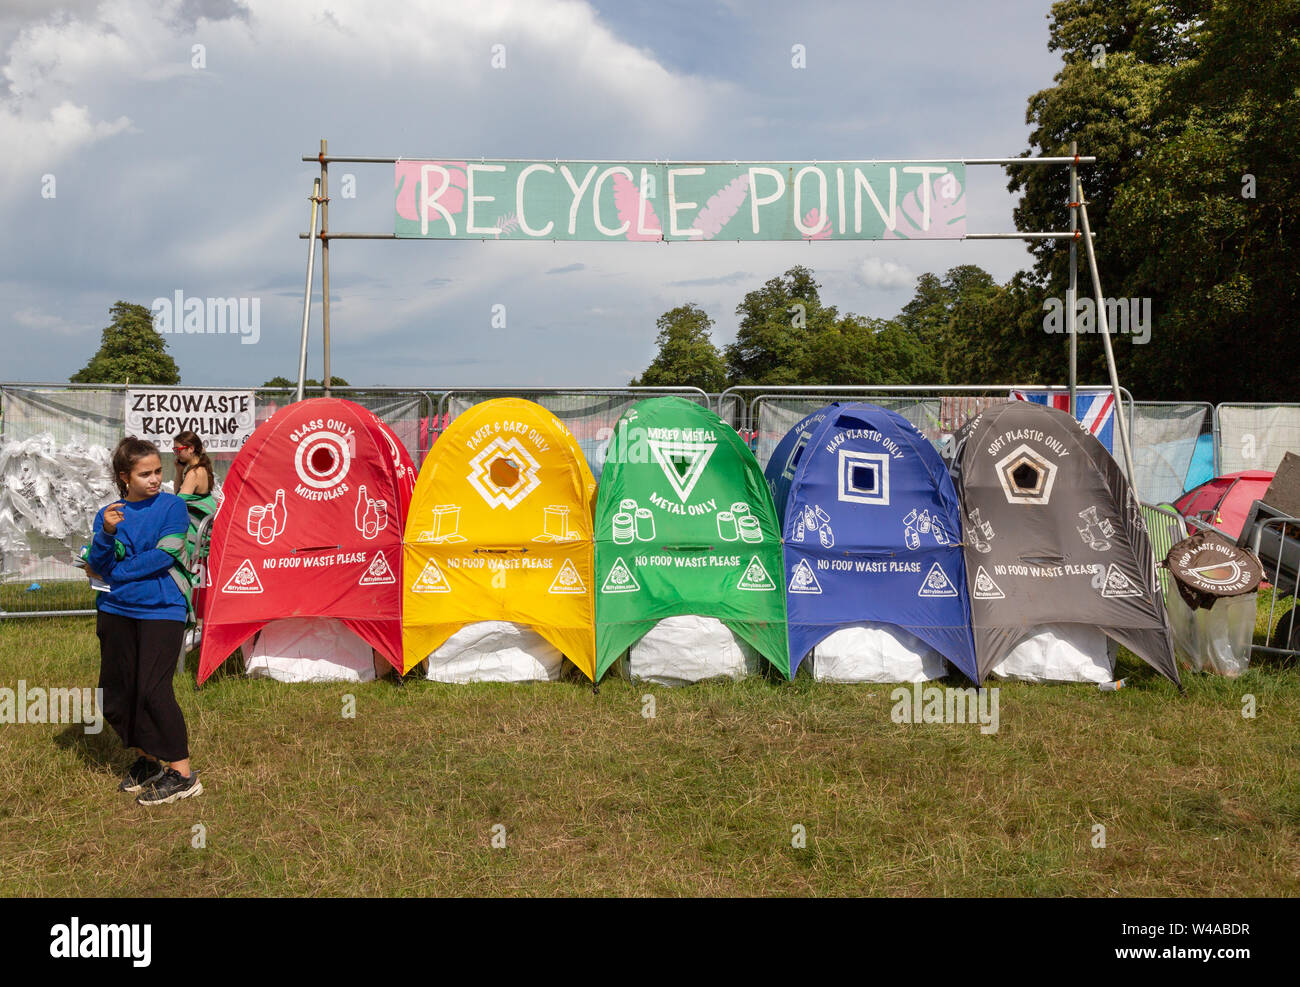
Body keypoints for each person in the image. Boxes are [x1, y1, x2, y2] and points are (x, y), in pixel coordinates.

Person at [88, 436, 203, 805]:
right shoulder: (109, 513)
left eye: (158, 471)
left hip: (161, 608)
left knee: (154, 690)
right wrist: (106, 533)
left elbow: (165, 555)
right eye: (145, 474)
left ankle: (183, 774)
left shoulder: (171, 506)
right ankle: (146, 761)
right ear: (125, 477)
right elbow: (97, 563)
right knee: (119, 692)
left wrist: (116, 573)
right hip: (115, 610)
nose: (155, 479)